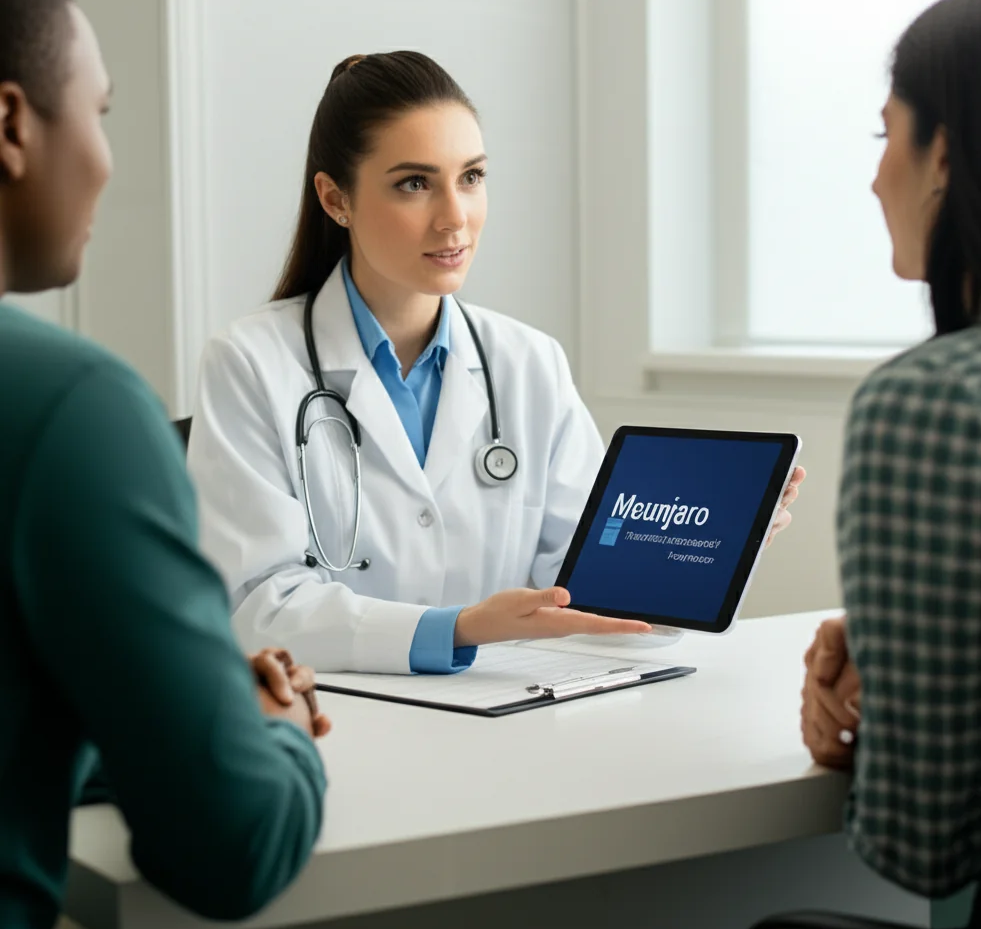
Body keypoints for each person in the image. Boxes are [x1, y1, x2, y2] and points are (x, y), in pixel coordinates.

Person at [187, 51, 805, 674]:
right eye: (414, 183)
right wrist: (459, 628)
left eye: (472, 177)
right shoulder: (249, 364)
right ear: (335, 198)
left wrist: (707, 555)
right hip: (336, 721)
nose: (455, 217)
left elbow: (583, 586)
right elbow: (256, 608)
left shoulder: (529, 362)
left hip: (505, 716)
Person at [0, 0, 329, 929]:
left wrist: (158, 696)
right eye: (97, 111)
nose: (105, 158)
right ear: (11, 124)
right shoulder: (73, 407)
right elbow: (231, 845)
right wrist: (263, 729)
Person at [800, 0, 981, 929]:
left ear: (948, 157)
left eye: (885, 132)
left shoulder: (941, 400)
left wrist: (889, 697)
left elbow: (919, 843)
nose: (874, 172)